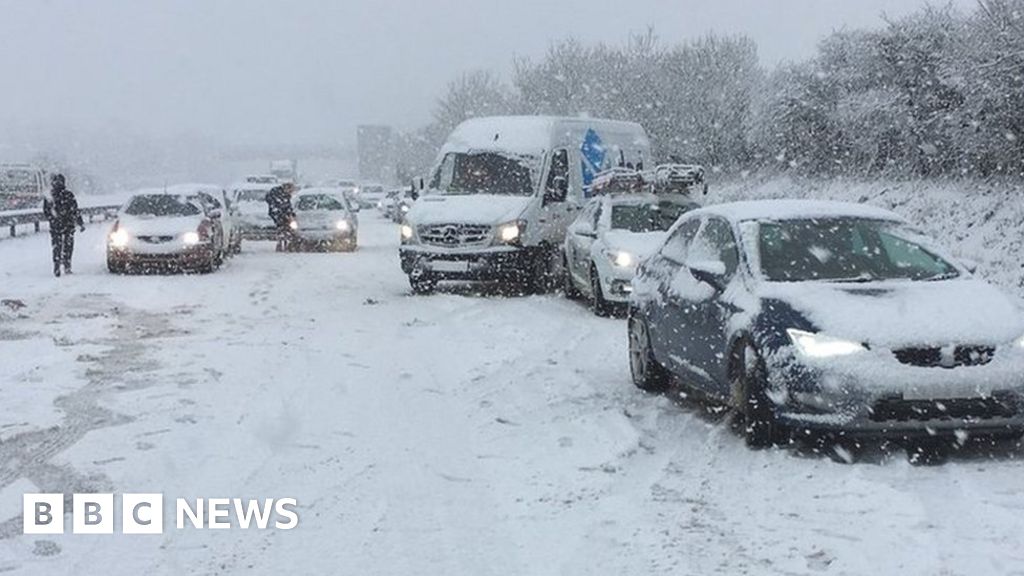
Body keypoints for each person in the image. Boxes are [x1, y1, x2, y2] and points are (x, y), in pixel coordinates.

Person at [42, 174, 85, 277]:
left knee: (57, 246)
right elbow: (75, 210)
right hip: (68, 224)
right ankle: (67, 265)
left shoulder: (50, 196)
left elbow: (46, 211)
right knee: (68, 246)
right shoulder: (68, 195)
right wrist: (80, 223)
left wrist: (52, 219)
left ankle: (57, 266)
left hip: (56, 225)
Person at [265, 182, 296, 252]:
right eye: (290, 190)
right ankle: (279, 242)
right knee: (280, 225)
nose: (290, 192)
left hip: (283, 213)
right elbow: (271, 201)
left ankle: (286, 242)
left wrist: (291, 213)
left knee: (288, 226)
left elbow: (288, 205)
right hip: (276, 213)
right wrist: (278, 209)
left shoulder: (287, 196)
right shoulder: (275, 192)